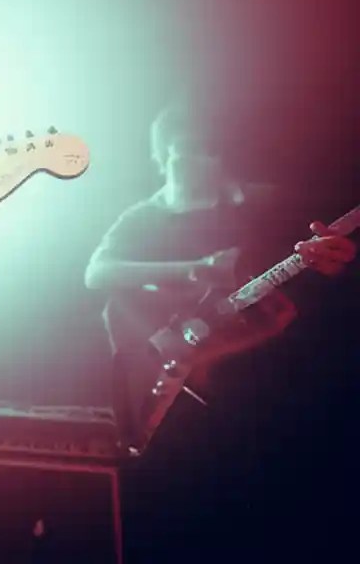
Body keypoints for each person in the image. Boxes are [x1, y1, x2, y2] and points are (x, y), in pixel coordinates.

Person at [84, 104, 356, 560]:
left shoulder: (263, 204)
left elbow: (320, 258)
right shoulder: (144, 216)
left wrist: (336, 256)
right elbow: (98, 272)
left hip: (259, 384)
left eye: (205, 151)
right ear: (159, 158)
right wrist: (196, 270)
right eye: (180, 152)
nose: (193, 161)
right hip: (174, 393)